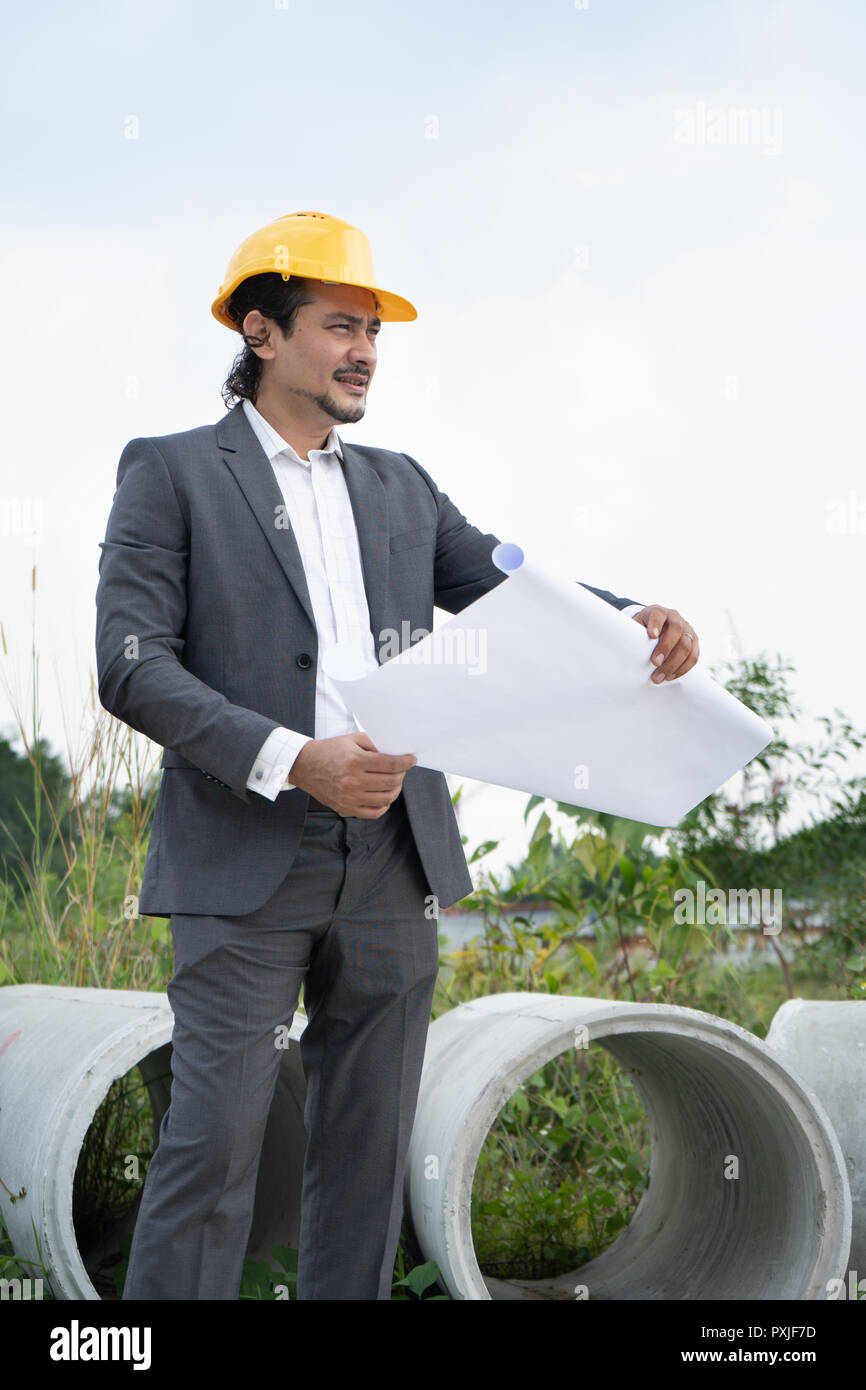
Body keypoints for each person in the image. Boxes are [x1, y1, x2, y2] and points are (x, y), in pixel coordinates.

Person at [95, 210, 700, 1301]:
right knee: (214, 1145)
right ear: (261, 332)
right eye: (339, 324)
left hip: (393, 861)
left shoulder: (401, 487)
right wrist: (292, 756)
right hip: (245, 851)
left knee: (368, 1153)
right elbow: (132, 666)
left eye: (373, 329)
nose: (364, 349)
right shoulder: (171, 472)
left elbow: (512, 593)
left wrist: (634, 620)